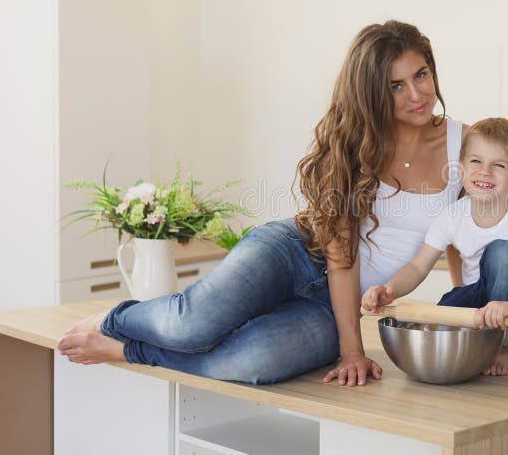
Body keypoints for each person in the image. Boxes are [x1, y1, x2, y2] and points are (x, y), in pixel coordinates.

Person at [57, 20, 469, 387]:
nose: (417, 94)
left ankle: (129, 350)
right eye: (396, 86)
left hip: (330, 308)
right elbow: (341, 253)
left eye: (421, 74)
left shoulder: (464, 146)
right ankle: (115, 320)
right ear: (372, 93)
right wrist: (351, 351)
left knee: (256, 359)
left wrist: (472, 321)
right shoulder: (354, 141)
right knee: (193, 325)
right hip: (294, 252)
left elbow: (465, 239)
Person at [362, 117, 508, 375]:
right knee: (442, 317)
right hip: (480, 305)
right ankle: (504, 342)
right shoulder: (452, 215)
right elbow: (418, 267)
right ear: (461, 169)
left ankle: (504, 346)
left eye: (499, 165)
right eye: (476, 161)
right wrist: (390, 290)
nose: (485, 171)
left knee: (503, 251)